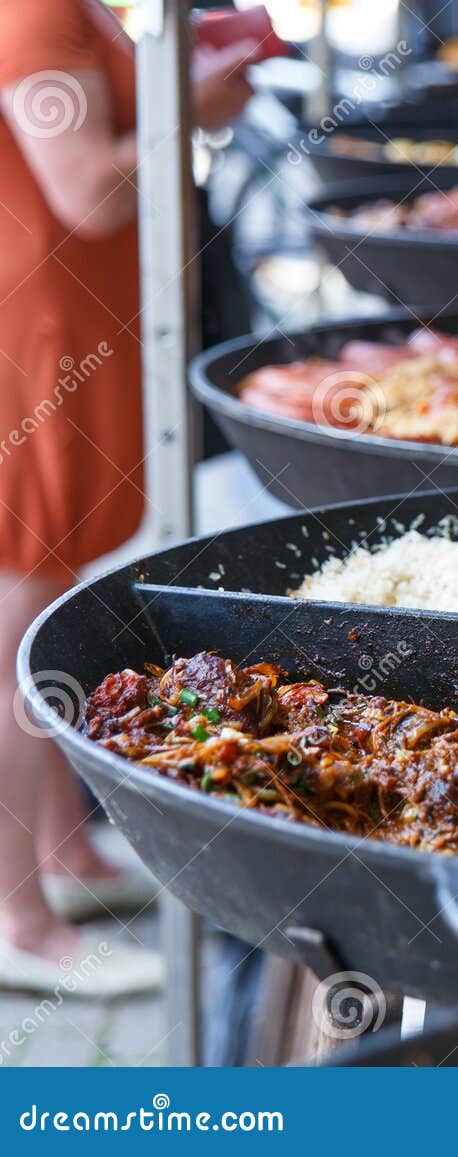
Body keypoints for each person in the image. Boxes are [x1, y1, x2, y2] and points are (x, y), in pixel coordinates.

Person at [0, 0, 254, 997]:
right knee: (20, 606)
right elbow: (89, 194)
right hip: (38, 332)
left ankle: (67, 857)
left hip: (74, 320)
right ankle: (19, 916)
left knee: (51, 576)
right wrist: (186, 103)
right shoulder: (33, 13)